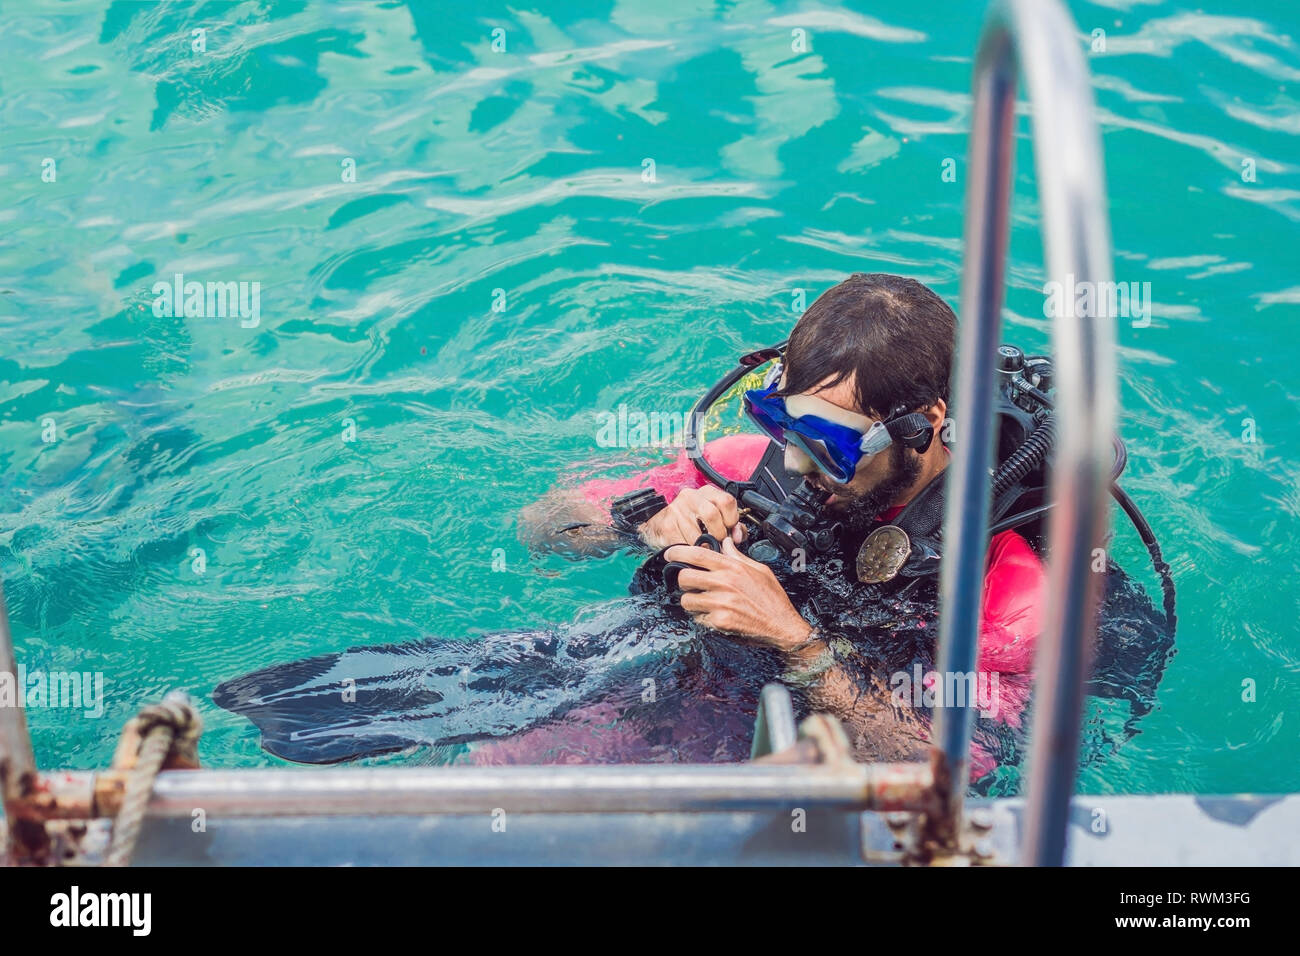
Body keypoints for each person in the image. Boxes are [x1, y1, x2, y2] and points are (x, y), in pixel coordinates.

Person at [503, 273, 1046, 775]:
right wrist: (644, 524)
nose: (792, 463)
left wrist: (797, 642)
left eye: (829, 443)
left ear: (922, 424)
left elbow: (947, 771)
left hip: (806, 776)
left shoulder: (1008, 582)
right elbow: (544, 526)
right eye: (782, 422)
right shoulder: (745, 466)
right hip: (667, 696)